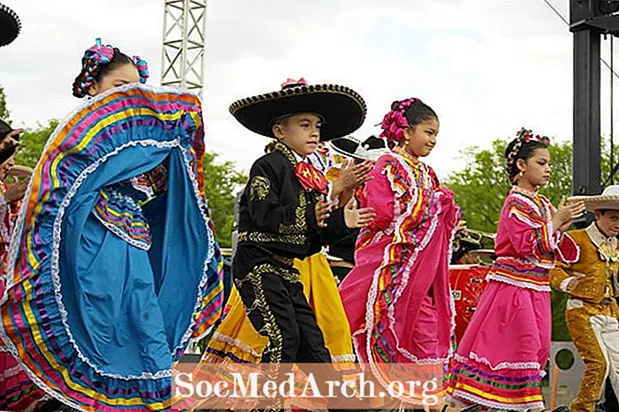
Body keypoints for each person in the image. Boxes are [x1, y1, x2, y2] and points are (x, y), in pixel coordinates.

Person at [0, 39, 223, 411]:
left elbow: (160, 188)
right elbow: (59, 191)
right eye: (121, 87)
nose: (131, 95)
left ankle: (150, 399)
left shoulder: (140, 142)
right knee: (96, 319)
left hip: (134, 241)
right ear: (93, 85)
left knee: (143, 317)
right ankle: (87, 400)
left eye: (137, 88)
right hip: (92, 237)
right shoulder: (79, 136)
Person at [445, 128, 585, 412]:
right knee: (523, 347)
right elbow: (524, 244)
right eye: (541, 163)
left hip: (538, 288)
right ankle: (532, 407)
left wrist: (561, 224)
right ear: (522, 165)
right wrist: (556, 222)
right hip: (515, 288)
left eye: (549, 164)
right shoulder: (516, 201)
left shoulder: (543, 203)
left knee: (537, 350)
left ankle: (503, 405)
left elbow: (550, 247)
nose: (548, 169)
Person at [339, 98, 460, 408]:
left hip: (420, 271)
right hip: (389, 264)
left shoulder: (428, 173)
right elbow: (381, 214)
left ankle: (423, 401)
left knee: (426, 334)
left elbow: (436, 218)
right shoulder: (388, 165)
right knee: (383, 332)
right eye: (428, 132)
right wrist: (433, 207)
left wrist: (445, 213)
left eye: (436, 135)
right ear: (406, 132)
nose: (433, 140)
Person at [550, 185, 619, 412]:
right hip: (582, 310)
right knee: (599, 364)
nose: (617, 224)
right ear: (597, 214)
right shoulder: (576, 239)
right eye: (613, 218)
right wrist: (568, 282)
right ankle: (581, 409)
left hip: (609, 311)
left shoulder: (616, 245)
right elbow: (553, 268)